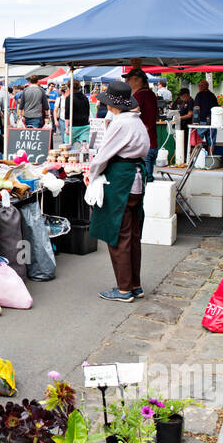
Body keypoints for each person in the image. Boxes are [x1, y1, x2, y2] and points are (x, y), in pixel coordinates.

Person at [85, 81, 152, 303]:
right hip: (135, 177)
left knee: (119, 234)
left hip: (121, 180)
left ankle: (124, 289)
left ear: (113, 105)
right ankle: (134, 284)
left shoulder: (120, 123)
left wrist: (91, 175)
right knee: (132, 234)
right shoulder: (137, 122)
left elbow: (103, 155)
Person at [126, 67, 160, 170]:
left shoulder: (139, 95)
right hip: (151, 143)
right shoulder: (150, 94)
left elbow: (130, 116)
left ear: (138, 80)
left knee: (144, 182)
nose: (127, 81)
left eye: (129, 79)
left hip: (142, 145)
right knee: (146, 181)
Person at [66, 80, 91, 145]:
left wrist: (66, 128)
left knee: (67, 148)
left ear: (69, 87)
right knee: (85, 147)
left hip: (73, 126)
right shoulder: (85, 97)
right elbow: (87, 111)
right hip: (84, 125)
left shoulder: (69, 98)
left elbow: (67, 114)